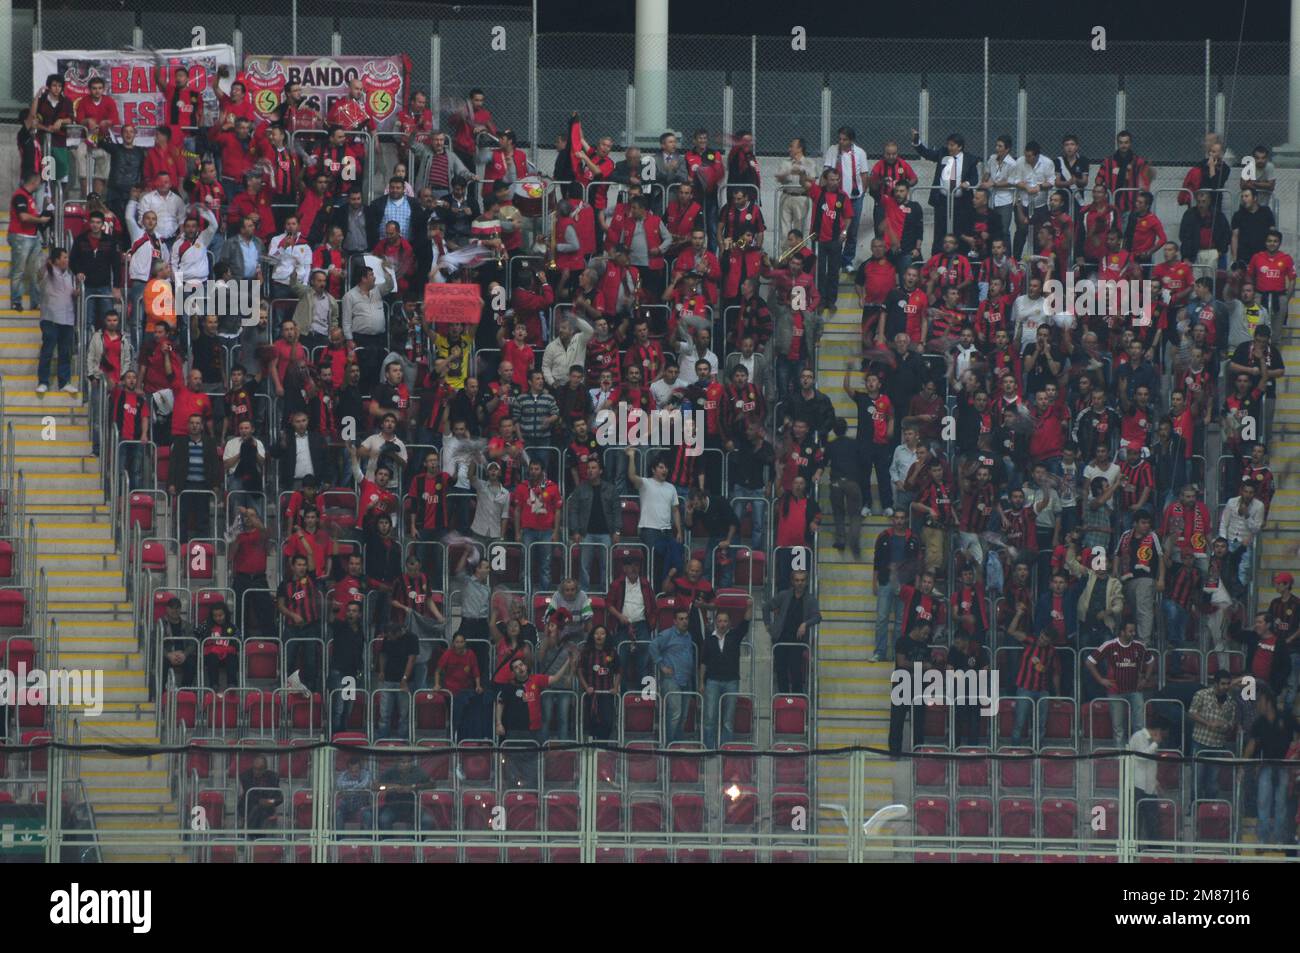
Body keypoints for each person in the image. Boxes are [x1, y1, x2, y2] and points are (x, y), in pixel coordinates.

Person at [1086, 620, 1156, 747]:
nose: (1133, 634)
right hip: (1115, 692)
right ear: (1122, 632)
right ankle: (1120, 756)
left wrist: (1145, 679)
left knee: (1139, 725)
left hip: (1135, 690)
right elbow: (1089, 662)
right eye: (1130, 631)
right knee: (1118, 727)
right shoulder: (1109, 645)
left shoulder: (1139, 646)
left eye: (1134, 631)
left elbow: (1151, 661)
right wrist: (1101, 680)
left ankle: (1139, 752)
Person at [1244, 686, 1295, 850]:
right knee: (1263, 802)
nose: (1257, 704)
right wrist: (1242, 766)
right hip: (1266, 765)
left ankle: (1279, 839)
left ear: (1267, 702)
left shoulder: (1285, 717)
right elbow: (1251, 746)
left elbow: (1297, 733)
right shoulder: (1259, 722)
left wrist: (1295, 752)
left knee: (1281, 804)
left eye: (1259, 701)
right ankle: (1262, 839)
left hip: (1285, 766)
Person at [699, 601, 753, 748]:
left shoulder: (735, 635)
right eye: (720, 621)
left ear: (729, 623)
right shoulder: (709, 639)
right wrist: (701, 682)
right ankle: (709, 749)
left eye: (725, 621)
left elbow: (746, 621)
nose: (722, 624)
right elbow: (703, 662)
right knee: (710, 717)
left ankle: (725, 749)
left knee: (728, 719)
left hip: (731, 681)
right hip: (712, 681)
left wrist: (749, 607)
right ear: (715, 622)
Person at [766, 570, 820, 695]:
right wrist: (768, 625)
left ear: (806, 582)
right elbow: (766, 607)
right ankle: (784, 699)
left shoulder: (811, 600)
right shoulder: (784, 595)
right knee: (780, 671)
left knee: (796, 673)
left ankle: (797, 701)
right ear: (792, 582)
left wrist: (805, 624)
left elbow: (818, 617)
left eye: (802, 580)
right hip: (781, 639)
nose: (799, 583)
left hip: (798, 642)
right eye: (797, 580)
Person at [1189, 670, 1238, 801]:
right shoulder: (1201, 694)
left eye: (1228, 684)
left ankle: (1209, 810)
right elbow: (1192, 713)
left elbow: (1231, 724)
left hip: (1217, 745)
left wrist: (1223, 725)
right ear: (1216, 683)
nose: (1226, 686)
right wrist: (1208, 723)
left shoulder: (1231, 702)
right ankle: (1194, 809)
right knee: (1196, 780)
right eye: (1223, 683)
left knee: (1213, 782)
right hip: (1200, 742)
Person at [888, 621, 935, 757]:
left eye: (927, 634)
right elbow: (901, 662)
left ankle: (918, 752)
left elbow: (928, 663)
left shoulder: (924, 645)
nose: (926, 636)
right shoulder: (902, 642)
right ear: (916, 629)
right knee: (897, 721)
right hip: (901, 687)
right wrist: (921, 666)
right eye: (924, 633)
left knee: (919, 722)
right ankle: (894, 752)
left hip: (919, 687)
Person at [649, 607, 696, 743]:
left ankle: (677, 743)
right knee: (675, 713)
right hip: (672, 680)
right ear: (674, 621)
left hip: (686, 679)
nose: (684, 621)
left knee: (684, 715)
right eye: (681, 619)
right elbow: (652, 646)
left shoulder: (688, 636)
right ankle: (668, 744)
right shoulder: (667, 634)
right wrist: (661, 665)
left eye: (686, 619)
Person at [36, 247, 77, 394]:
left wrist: (77, 291)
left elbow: (71, 293)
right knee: (47, 351)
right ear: (56, 260)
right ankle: (43, 381)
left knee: (65, 352)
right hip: (50, 318)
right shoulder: (48, 272)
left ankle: (64, 382)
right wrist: (48, 262)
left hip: (68, 319)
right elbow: (40, 271)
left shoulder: (70, 275)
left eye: (67, 257)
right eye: (64, 257)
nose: (67, 260)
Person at [1128, 716, 1168, 847]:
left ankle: (1154, 851)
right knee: (1136, 821)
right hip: (1137, 786)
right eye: (1162, 734)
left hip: (1150, 787)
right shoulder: (1139, 736)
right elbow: (1141, 758)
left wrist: (1156, 783)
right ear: (1158, 730)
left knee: (1153, 821)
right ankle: (1133, 849)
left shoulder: (1149, 741)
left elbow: (1148, 765)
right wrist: (1155, 743)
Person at [374, 621, 418, 741]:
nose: (389, 639)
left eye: (391, 637)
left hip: (405, 680)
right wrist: (382, 670)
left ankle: (403, 737)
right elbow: (383, 654)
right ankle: (383, 735)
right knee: (384, 712)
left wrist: (405, 679)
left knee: (404, 713)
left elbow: (412, 660)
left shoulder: (412, 638)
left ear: (398, 633)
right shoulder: (387, 638)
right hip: (388, 678)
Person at [578, 625, 621, 740]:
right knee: (592, 722)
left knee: (607, 721)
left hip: (607, 692)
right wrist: (586, 687)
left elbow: (618, 672)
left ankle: (604, 746)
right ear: (592, 636)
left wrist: (615, 687)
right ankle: (594, 748)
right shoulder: (586, 652)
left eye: (602, 633)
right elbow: (580, 671)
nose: (599, 636)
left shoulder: (612, 653)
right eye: (597, 633)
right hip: (591, 693)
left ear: (606, 636)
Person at [238, 755, 283, 834]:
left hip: (267, 808)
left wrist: (269, 801)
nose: (256, 771)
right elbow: (250, 796)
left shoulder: (273, 777)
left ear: (265, 769)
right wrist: (260, 801)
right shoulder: (245, 777)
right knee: (258, 809)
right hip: (248, 808)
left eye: (260, 769)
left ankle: (247, 832)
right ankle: (258, 836)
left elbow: (279, 798)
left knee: (260, 809)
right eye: (255, 768)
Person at [335, 756, 374, 830]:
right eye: (351, 771)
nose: (354, 774)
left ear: (360, 769)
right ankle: (338, 839)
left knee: (368, 815)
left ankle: (366, 839)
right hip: (346, 805)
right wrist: (358, 783)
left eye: (356, 771)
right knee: (338, 814)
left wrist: (348, 787)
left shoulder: (366, 774)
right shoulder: (343, 775)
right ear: (348, 770)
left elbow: (365, 784)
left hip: (362, 805)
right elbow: (339, 785)